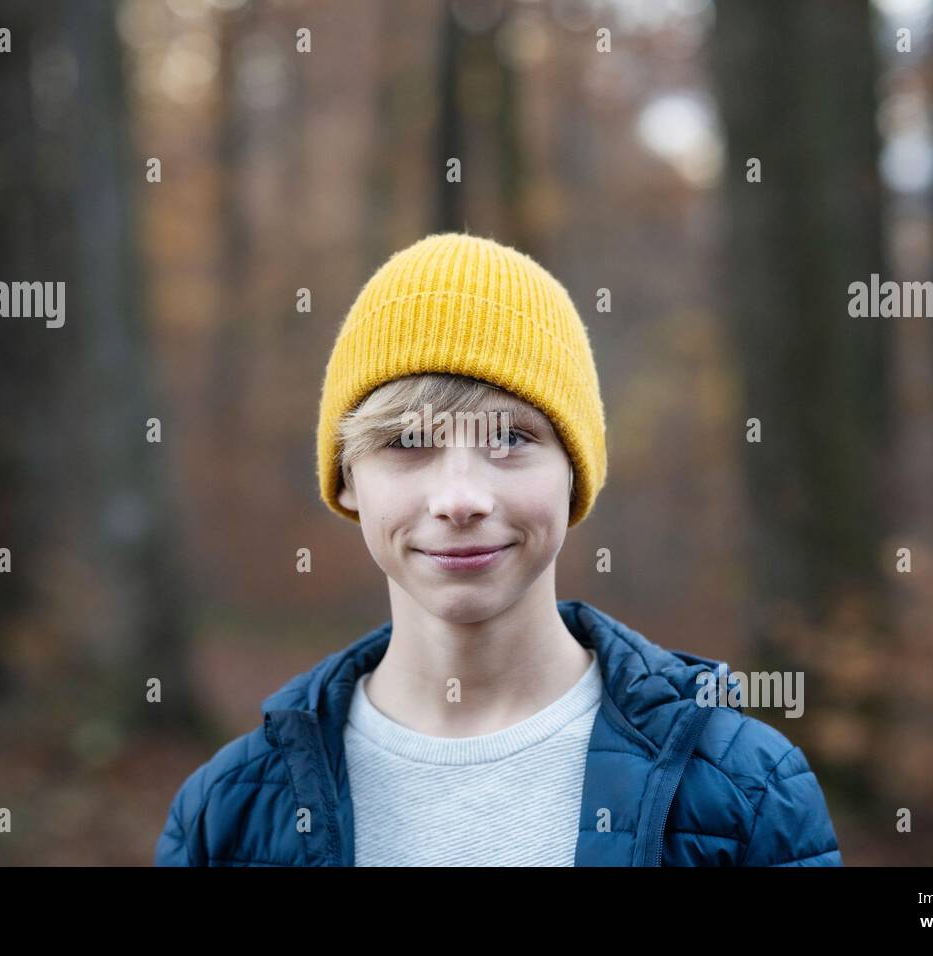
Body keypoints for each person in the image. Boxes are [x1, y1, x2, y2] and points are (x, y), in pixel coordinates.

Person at [153, 231, 843, 866]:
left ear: (575, 471)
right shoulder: (226, 813)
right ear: (348, 478)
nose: (460, 497)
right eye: (407, 442)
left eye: (511, 438)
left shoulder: (749, 790)